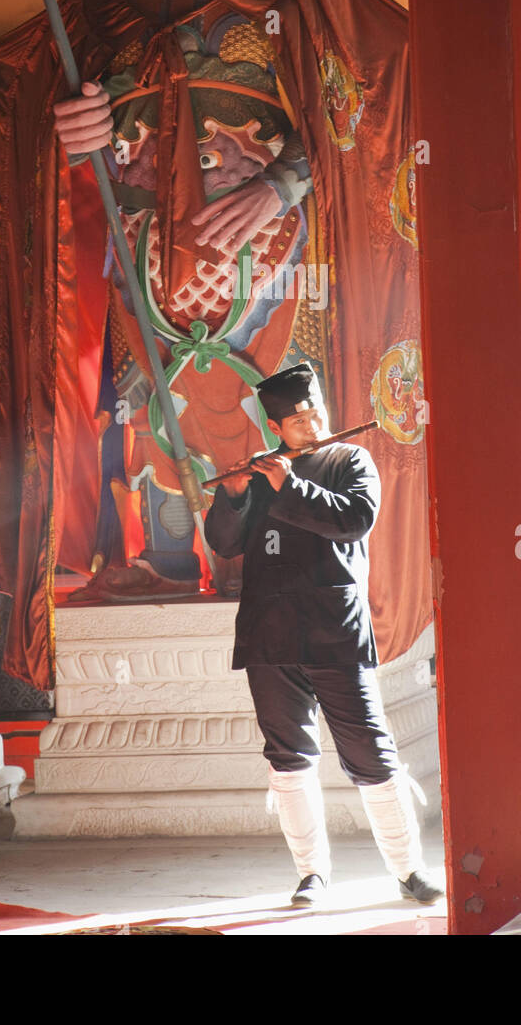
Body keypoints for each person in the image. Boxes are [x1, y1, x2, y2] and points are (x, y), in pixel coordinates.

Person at [0, 0, 430, 691]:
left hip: (270, 256)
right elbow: (28, 107)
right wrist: (71, 127)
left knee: (272, 409)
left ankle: (281, 562)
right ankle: (166, 559)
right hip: (144, 252)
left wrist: (286, 181)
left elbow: (390, 83)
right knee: (144, 413)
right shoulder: (100, 4)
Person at [203, 362, 443, 907]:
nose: (310, 425)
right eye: (296, 419)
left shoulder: (350, 460)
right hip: (270, 635)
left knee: (370, 751)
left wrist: (290, 483)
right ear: (276, 427)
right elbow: (224, 543)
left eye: (314, 414)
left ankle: (408, 870)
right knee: (288, 756)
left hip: (335, 629)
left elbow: (354, 520)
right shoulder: (262, 473)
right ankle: (312, 873)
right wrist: (237, 494)